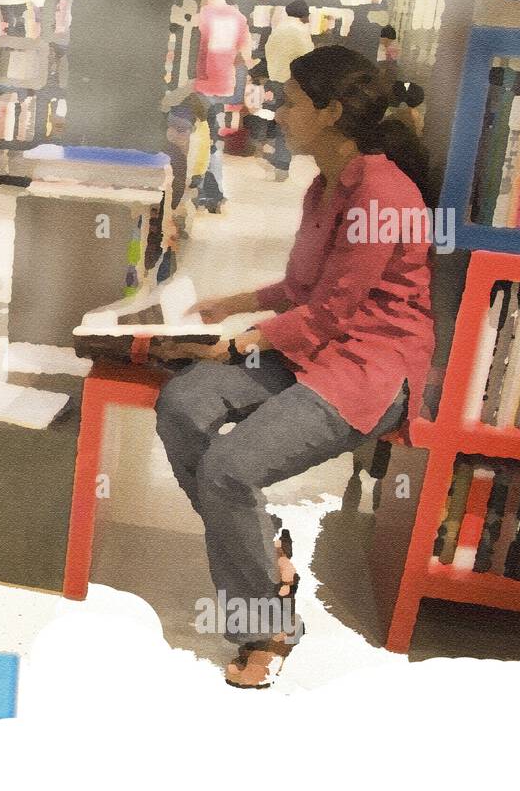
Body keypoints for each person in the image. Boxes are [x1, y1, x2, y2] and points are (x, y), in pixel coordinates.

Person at [153, 45, 434, 688]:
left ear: (332, 112)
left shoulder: (382, 195)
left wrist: (242, 342)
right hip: (314, 345)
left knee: (229, 465)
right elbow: (304, 286)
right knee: (182, 405)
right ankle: (261, 546)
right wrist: (232, 304)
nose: (278, 108)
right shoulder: (324, 184)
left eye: (293, 99)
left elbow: (333, 313)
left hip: (369, 365)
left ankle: (265, 625)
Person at [192, 0, 251, 211]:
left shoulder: (200, 16)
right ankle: (215, 195)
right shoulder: (238, 17)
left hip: (197, 87)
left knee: (195, 139)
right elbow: (242, 58)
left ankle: (197, 192)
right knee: (214, 141)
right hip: (224, 87)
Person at [262, 0, 315, 181]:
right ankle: (282, 164)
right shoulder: (300, 31)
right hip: (292, 83)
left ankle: (271, 150)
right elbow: (308, 58)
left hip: (276, 79)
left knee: (278, 117)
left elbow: (268, 51)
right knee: (288, 124)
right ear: (304, 14)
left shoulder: (278, 29)